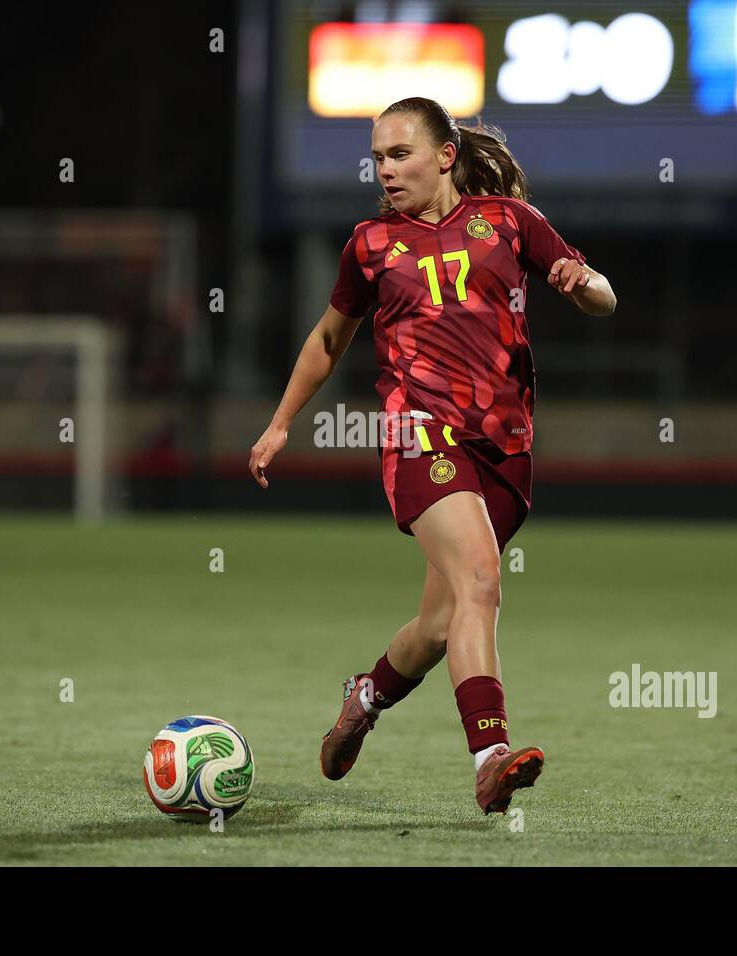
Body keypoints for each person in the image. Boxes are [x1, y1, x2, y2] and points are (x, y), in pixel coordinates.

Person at [248, 96, 617, 814]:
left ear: (445, 155)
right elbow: (329, 340)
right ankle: (490, 757)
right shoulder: (370, 244)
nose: (384, 171)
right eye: (377, 157)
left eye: (399, 154)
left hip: (505, 451)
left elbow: (602, 294)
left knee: (440, 626)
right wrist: (281, 423)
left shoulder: (511, 223)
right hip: (420, 435)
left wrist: (584, 286)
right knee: (481, 577)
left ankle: (366, 696)